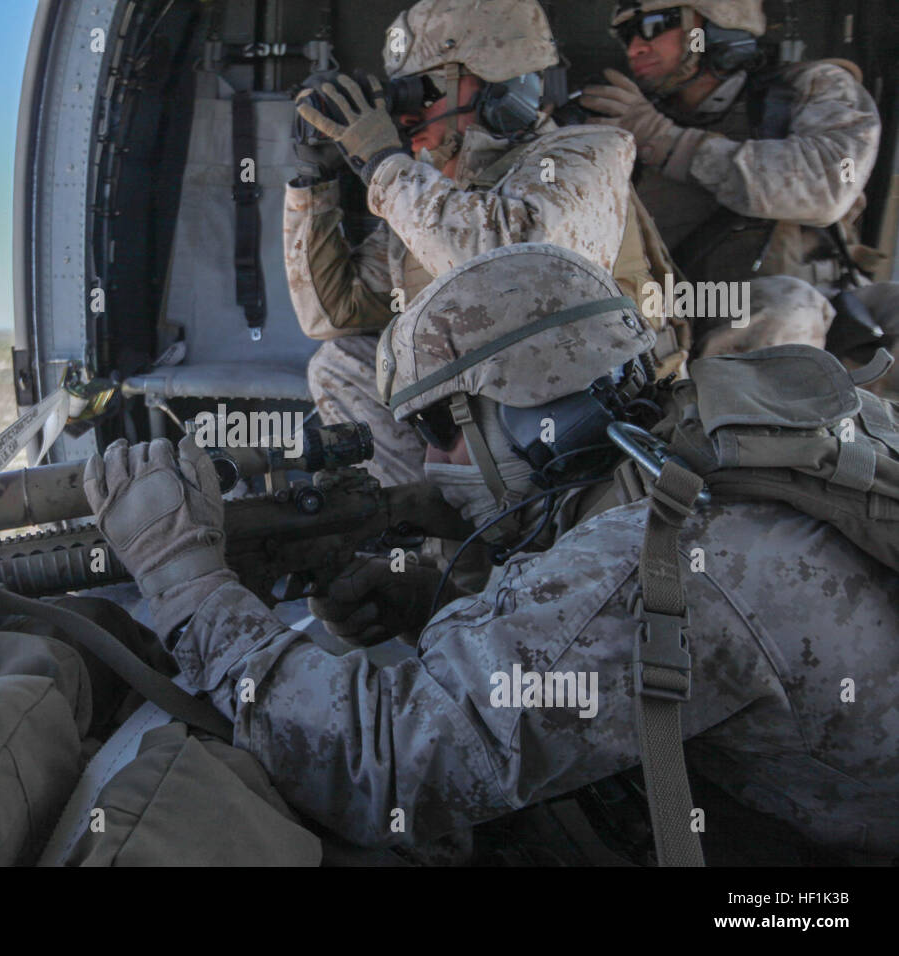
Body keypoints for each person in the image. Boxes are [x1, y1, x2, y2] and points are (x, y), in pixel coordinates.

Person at [83, 243, 899, 865]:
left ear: (536, 419)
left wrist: (182, 573)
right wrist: (436, 598)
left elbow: (388, 767)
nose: (433, 463)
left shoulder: (656, 555)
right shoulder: (729, 435)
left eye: (441, 430)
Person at [284, 0, 661, 486]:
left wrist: (382, 164)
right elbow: (332, 315)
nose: (403, 118)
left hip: (588, 419)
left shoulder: (587, 154)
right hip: (480, 421)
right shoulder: (432, 192)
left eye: (423, 92)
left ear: (499, 86)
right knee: (343, 362)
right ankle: (418, 538)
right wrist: (313, 179)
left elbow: (512, 269)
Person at [582, 0, 899, 382]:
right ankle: (751, 439)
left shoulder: (806, 89)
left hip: (825, 301)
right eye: (627, 35)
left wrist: (670, 143)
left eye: (654, 26)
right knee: (784, 309)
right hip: (684, 307)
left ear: (719, 26)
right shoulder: (619, 117)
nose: (635, 48)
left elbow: (828, 188)